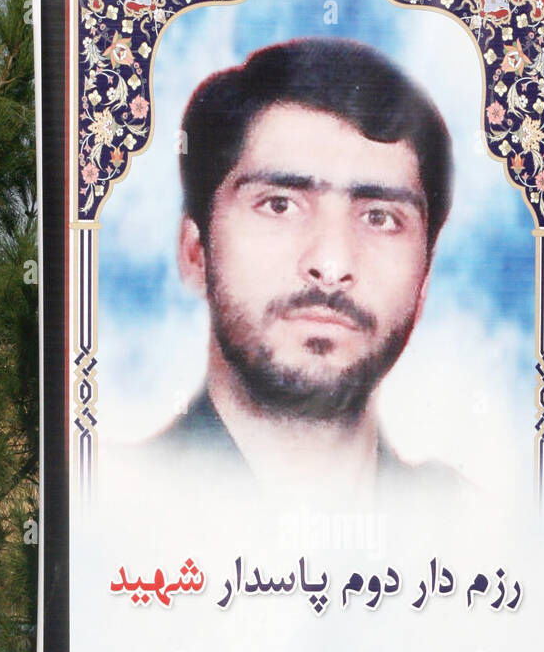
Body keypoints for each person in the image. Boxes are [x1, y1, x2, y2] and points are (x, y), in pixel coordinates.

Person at [150, 37, 455, 500]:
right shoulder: (116, 500)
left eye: (380, 217)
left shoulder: (479, 531)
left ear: (424, 281)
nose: (330, 266)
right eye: (279, 205)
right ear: (196, 252)